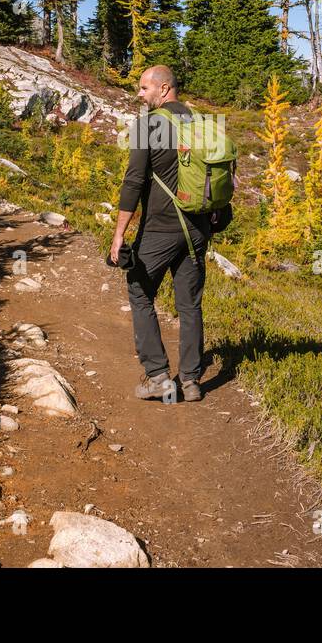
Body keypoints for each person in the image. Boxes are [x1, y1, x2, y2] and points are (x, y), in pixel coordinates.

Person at [110, 65, 212, 403]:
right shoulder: (202, 123)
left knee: (139, 292)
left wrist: (119, 233)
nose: (140, 95)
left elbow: (134, 182)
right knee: (190, 304)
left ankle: (158, 377)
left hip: (159, 229)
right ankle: (191, 381)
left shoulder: (149, 125)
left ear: (164, 88)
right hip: (196, 230)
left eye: (143, 89)